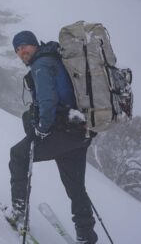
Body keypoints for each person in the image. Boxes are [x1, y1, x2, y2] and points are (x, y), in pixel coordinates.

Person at [6, 30, 98, 244]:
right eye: (17, 50)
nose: (21, 52)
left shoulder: (41, 65)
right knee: (76, 186)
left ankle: (18, 212)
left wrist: (41, 130)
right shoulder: (55, 59)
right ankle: (86, 236)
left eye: (24, 46)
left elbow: (48, 102)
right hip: (80, 132)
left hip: (62, 132)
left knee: (18, 156)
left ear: (34, 44)